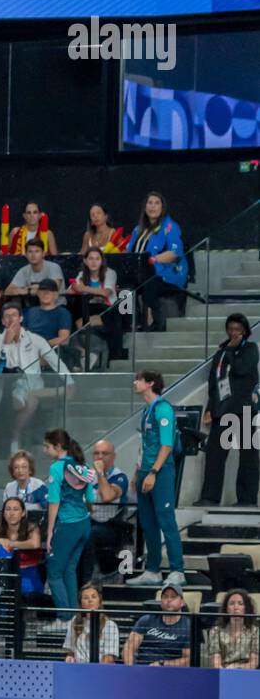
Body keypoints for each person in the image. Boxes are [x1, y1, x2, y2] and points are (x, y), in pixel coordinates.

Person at [125, 370, 185, 588]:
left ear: (150, 383)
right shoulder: (146, 411)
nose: (135, 382)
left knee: (166, 520)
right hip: (145, 472)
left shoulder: (163, 409)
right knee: (148, 523)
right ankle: (152, 570)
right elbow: (145, 445)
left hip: (160, 473)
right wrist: (137, 472)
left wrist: (153, 472)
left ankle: (177, 570)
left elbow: (166, 445)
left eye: (139, 380)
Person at [197, 313, 260, 508]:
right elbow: (213, 382)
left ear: (244, 332)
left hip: (243, 409)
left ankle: (247, 499)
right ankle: (210, 496)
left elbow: (241, 369)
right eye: (230, 329)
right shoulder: (221, 353)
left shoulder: (250, 349)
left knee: (248, 455)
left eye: (237, 330)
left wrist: (232, 351)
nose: (233, 333)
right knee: (214, 454)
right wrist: (210, 407)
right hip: (222, 410)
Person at [0, 305, 67, 447]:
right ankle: (14, 436)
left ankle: (15, 436)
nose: (11, 319)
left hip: (33, 387)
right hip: (8, 387)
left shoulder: (35, 339)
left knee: (31, 400)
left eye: (14, 315)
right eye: (7, 316)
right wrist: (6, 343)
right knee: (23, 401)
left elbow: (54, 361)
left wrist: (70, 380)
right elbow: (0, 368)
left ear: (21, 318)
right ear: (2, 321)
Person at [44, 428, 97, 619]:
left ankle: (65, 617)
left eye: (47, 446)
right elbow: (91, 497)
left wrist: (50, 532)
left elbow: (54, 500)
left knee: (54, 570)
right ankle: (74, 616)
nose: (45, 450)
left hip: (68, 524)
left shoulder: (56, 468)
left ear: (58, 447)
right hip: (84, 524)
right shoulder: (84, 467)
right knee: (69, 569)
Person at [126, 191, 188, 332]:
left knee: (149, 279)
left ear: (162, 207)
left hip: (166, 275)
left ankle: (149, 318)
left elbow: (174, 253)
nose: (153, 206)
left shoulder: (170, 227)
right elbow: (130, 252)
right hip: (140, 274)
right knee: (124, 285)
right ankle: (128, 321)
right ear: (145, 207)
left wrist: (153, 259)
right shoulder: (138, 229)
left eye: (157, 203)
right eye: (150, 203)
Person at [78, 437, 132, 583]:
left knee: (88, 534)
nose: (100, 457)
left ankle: (86, 581)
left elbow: (107, 496)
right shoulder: (87, 476)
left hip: (111, 526)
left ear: (113, 456)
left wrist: (101, 474)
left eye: (104, 453)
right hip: (87, 522)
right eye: (96, 453)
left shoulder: (119, 476)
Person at [123, 577, 191, 666]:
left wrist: (162, 664)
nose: (169, 600)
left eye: (173, 597)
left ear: (182, 602)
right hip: (143, 670)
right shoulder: (146, 620)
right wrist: (130, 670)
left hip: (171, 672)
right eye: (165, 596)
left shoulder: (188, 626)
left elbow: (188, 660)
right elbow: (129, 647)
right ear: (161, 601)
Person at [0, 497, 44, 596]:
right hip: (4, 577)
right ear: (4, 513)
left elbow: (35, 544)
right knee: (0, 549)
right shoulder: (0, 530)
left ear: (23, 513)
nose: (11, 513)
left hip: (28, 576)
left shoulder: (31, 527)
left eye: (16, 509)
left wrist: (11, 543)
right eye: (8, 509)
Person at [63, 583, 120, 664]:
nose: (90, 600)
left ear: (99, 602)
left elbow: (109, 657)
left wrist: (93, 671)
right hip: (78, 668)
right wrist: (70, 657)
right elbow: (70, 651)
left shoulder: (110, 625)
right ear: (81, 603)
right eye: (86, 598)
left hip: (100, 670)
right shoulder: (74, 621)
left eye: (94, 597)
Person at [208, 589, 260, 670]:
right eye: (231, 604)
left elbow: (254, 663)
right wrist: (225, 673)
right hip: (223, 673)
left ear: (246, 608)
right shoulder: (215, 631)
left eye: (240, 604)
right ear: (227, 609)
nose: (236, 607)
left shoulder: (255, 631)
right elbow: (216, 662)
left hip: (246, 674)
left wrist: (237, 668)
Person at [23, 280, 72, 351]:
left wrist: (41, 345)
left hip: (50, 352)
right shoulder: (29, 312)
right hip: (27, 350)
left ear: (56, 295)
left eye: (49, 291)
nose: (45, 294)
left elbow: (64, 340)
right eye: (42, 291)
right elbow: (22, 335)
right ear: (38, 293)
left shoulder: (62, 313)